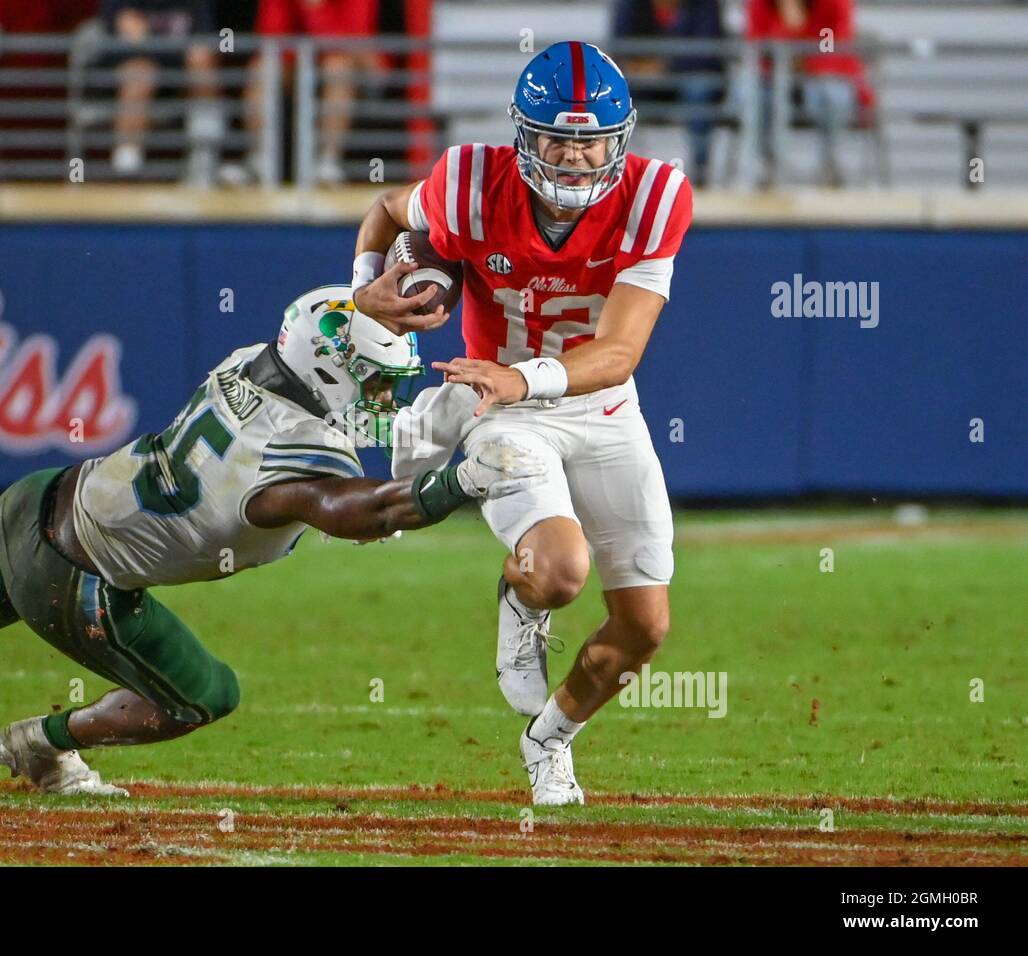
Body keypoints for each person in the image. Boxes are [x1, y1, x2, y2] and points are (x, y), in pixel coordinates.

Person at [0, 286, 543, 794]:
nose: (379, 396)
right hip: (81, 580)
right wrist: (451, 488)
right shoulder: (290, 459)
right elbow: (347, 510)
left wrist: (376, 293)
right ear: (329, 369)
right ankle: (43, 746)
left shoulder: (254, 360)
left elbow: (321, 323)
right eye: (372, 380)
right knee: (205, 696)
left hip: (43, 499)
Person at [351, 42, 692, 806]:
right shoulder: (469, 183)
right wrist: (365, 288)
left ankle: (548, 741)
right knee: (562, 568)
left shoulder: (654, 195)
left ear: (621, 138)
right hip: (498, 407)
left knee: (644, 628)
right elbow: (383, 211)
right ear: (523, 136)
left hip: (599, 406)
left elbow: (620, 353)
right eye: (557, 140)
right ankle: (524, 597)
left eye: (591, 140)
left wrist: (523, 373)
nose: (575, 158)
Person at [219, 0, 380, 187]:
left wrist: (315, 9)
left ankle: (328, 163)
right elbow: (270, 37)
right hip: (302, 63)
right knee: (263, 66)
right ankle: (258, 161)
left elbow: (354, 43)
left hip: (360, 72)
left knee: (337, 66)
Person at [746, 0, 873, 187]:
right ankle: (767, 166)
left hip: (823, 77)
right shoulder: (760, 4)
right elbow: (761, 48)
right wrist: (789, 21)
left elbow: (830, 48)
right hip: (775, 80)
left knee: (831, 94)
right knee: (756, 96)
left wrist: (802, 52)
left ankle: (830, 165)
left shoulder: (834, 4)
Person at [98, 0, 224, 184]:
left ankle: (204, 159)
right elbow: (130, 37)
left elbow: (203, 39)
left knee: (202, 58)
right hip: (127, 69)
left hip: (178, 76)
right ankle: (126, 168)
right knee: (141, 72)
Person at [611, 0, 725, 186]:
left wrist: (665, 66)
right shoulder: (630, 4)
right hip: (643, 80)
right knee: (614, 91)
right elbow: (620, 48)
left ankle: (699, 171)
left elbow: (708, 54)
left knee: (700, 89)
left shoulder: (704, 5)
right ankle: (617, 173)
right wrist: (639, 67)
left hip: (687, 79)